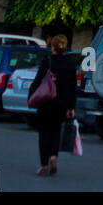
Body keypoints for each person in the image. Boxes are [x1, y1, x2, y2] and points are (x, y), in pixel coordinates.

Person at [29, 33, 77, 177]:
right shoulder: (70, 63)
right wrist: (71, 106)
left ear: (52, 47)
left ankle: (44, 165)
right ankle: (53, 157)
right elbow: (73, 87)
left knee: (44, 133)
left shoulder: (48, 61)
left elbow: (38, 80)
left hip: (46, 101)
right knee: (56, 131)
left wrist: (31, 97)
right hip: (61, 103)